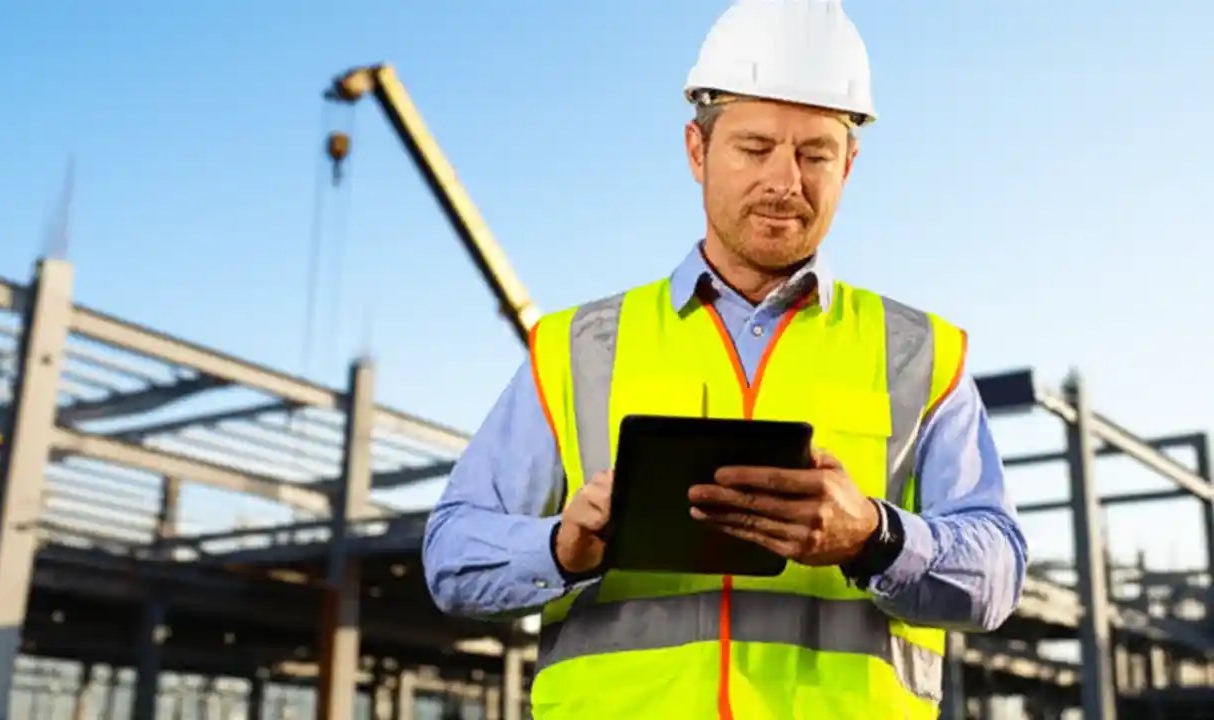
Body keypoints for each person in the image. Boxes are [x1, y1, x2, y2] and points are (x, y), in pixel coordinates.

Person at [422, 1, 1028, 718]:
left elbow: (997, 573)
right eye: (755, 147)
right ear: (696, 150)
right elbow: (454, 555)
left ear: (850, 162)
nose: (785, 182)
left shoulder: (922, 353)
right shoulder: (576, 345)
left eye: (814, 154)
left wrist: (873, 536)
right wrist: (563, 547)